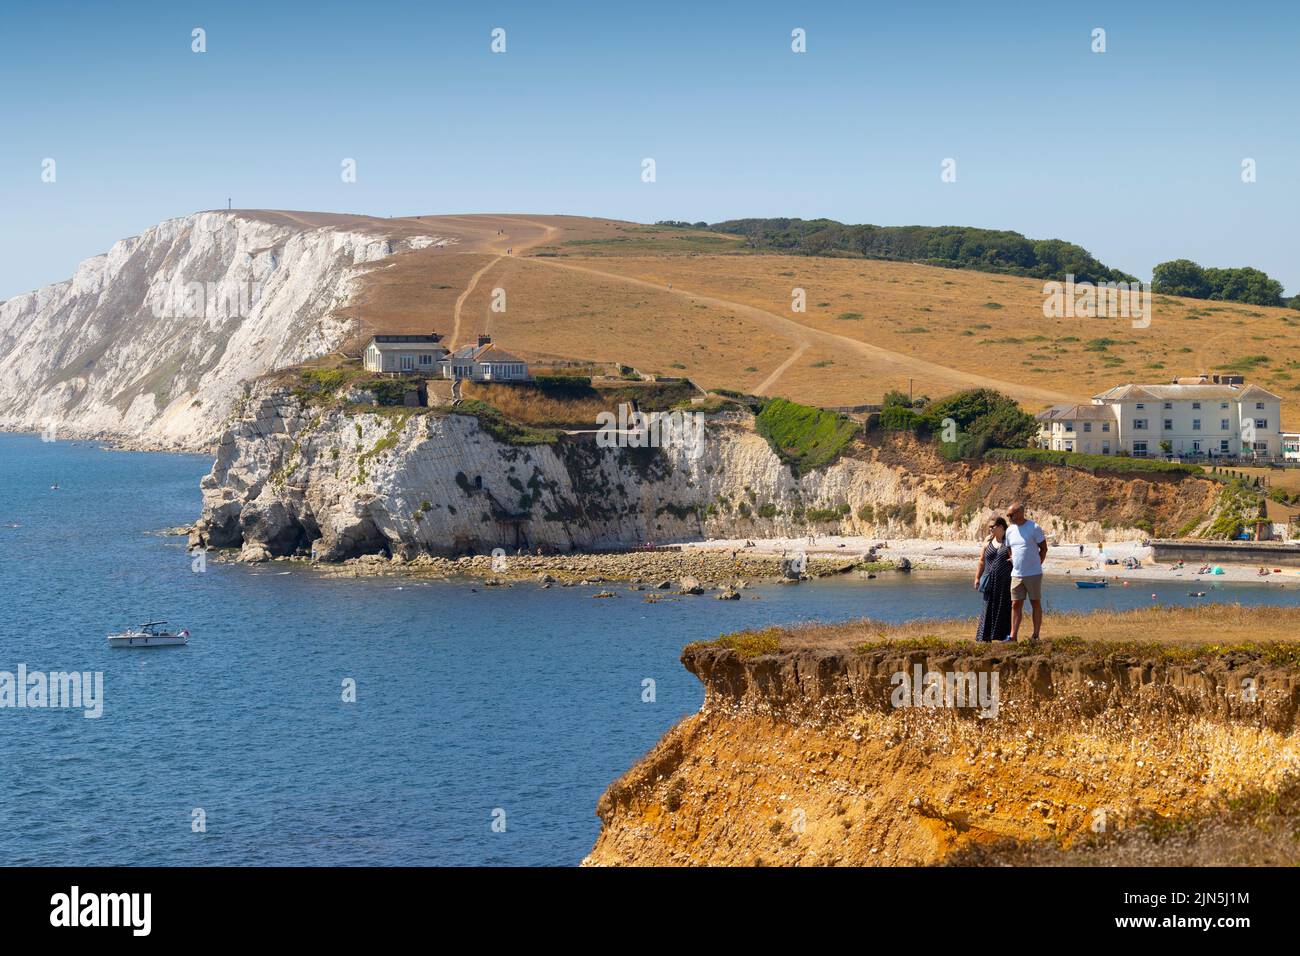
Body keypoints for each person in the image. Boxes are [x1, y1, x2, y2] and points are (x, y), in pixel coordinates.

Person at [1005, 501, 1048, 641]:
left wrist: (1037, 563)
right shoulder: (1010, 530)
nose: (1008, 517)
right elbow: (1009, 548)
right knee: (1015, 604)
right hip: (1016, 574)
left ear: (1019, 513)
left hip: (1033, 574)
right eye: (1007, 515)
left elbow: (1044, 548)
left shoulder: (1034, 528)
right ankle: (1013, 636)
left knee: (1035, 602)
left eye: (1010, 515)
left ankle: (1035, 635)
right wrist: (1013, 559)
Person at [974, 516, 1013, 642]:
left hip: (1005, 582)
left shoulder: (1008, 541)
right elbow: (981, 561)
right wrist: (977, 578)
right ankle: (984, 637)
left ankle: (1003, 636)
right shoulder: (988, 540)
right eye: (989, 526)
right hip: (989, 581)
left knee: (1003, 608)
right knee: (987, 607)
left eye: (993, 526)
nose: (990, 529)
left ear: (1001, 527)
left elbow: (1014, 559)